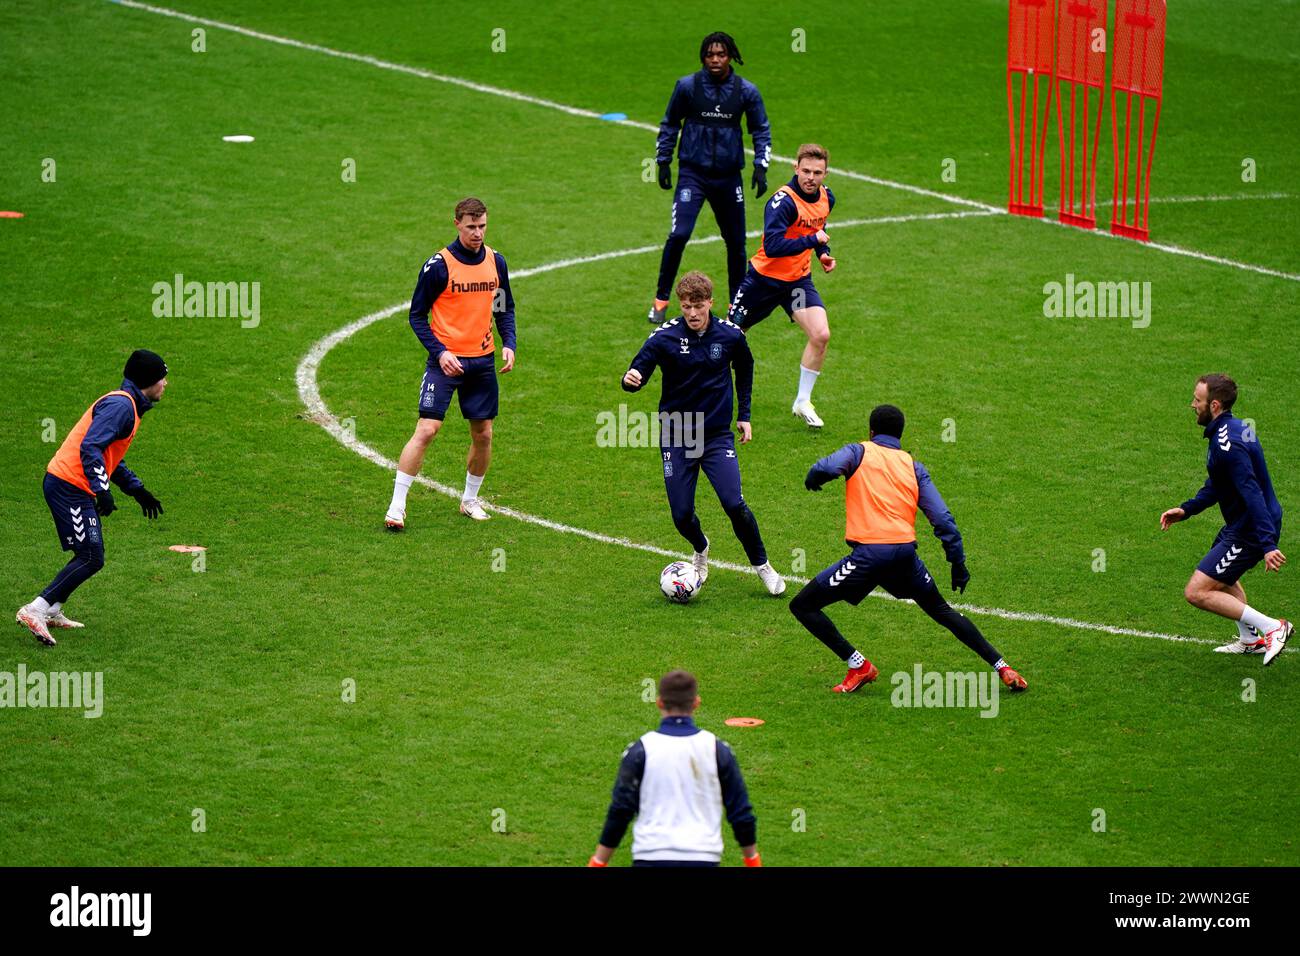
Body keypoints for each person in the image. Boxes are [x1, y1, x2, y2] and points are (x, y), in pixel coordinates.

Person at [789, 404, 1029, 694]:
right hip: (905, 556)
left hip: (868, 556)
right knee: (943, 612)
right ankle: (1002, 666)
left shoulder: (859, 451)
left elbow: (826, 467)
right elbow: (942, 518)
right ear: (900, 435)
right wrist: (957, 563)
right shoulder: (913, 467)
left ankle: (859, 665)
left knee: (802, 605)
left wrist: (815, 476)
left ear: (871, 431)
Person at [622, 270, 785, 596]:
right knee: (682, 515)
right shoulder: (664, 336)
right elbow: (638, 367)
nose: (693, 313)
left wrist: (745, 415)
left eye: (698, 306)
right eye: (686, 306)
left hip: (714, 436)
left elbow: (746, 369)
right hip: (677, 435)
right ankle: (700, 547)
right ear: (680, 306)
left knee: (734, 503)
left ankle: (763, 566)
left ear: (711, 302)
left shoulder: (731, 336)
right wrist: (632, 378)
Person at [15, 350, 169, 646]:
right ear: (149, 380)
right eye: (162, 377)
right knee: (90, 556)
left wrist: (136, 490)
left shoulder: (128, 406)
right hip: (68, 485)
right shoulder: (121, 407)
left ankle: (53, 609)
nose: (165, 383)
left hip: (75, 485)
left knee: (90, 554)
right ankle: (35, 610)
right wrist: (102, 489)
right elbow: (91, 448)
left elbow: (111, 456)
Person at [385, 197, 517, 529]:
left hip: (482, 363)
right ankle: (397, 506)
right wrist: (441, 353)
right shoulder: (439, 266)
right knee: (427, 429)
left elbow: (504, 306)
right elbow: (416, 316)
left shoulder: (496, 262)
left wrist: (509, 343)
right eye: (471, 226)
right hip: (445, 363)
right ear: (456, 223)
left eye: (483, 226)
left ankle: (470, 499)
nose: (478, 233)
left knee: (484, 434)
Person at [1160, 374, 1289, 664]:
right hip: (1243, 524)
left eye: (1197, 400)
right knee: (1221, 576)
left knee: (1197, 591)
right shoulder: (1229, 430)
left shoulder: (1227, 442)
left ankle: (1273, 628)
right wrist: (1188, 509)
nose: (1192, 405)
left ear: (1214, 405)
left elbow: (1250, 490)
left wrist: (1267, 543)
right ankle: (1250, 639)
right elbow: (1220, 485)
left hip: (1251, 528)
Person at [649, 31, 772, 324]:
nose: (715, 60)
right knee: (679, 234)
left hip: (729, 178)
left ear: (730, 56)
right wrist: (663, 161)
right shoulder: (687, 87)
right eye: (710, 55)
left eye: (721, 54)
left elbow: (761, 129)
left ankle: (737, 307)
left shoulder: (746, 91)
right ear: (703, 57)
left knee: (736, 242)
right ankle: (660, 300)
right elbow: (670, 124)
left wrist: (760, 166)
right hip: (693, 174)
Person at [588, 670, 760, 867]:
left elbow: (620, 811)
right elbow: (740, 812)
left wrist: (599, 861)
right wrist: (752, 859)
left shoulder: (640, 750)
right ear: (696, 703)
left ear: (659, 702)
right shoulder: (718, 750)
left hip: (650, 858)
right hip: (703, 859)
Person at [728, 144, 836, 428]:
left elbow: (818, 230)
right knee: (728, 339)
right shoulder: (782, 201)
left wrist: (823, 254)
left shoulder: (827, 197)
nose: (811, 177)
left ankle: (803, 401)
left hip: (797, 283)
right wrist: (814, 242)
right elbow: (774, 246)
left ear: (826, 173)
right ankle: (701, 390)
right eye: (806, 171)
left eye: (817, 172)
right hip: (762, 282)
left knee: (821, 334)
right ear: (795, 168)